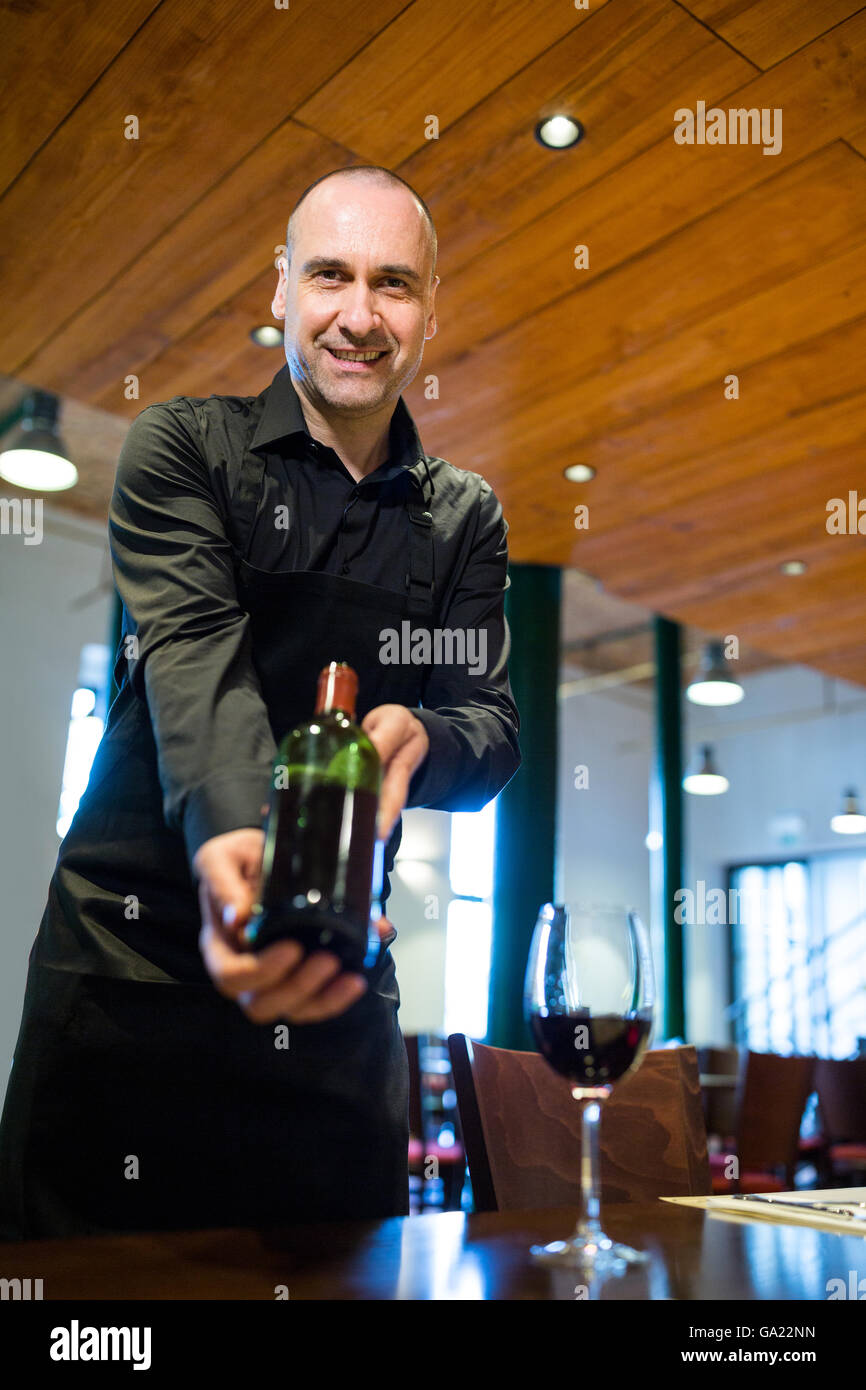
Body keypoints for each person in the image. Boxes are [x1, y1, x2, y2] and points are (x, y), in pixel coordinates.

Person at [0, 165, 521, 1240]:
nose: (359, 315)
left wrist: (423, 736)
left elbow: (491, 726)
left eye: (394, 285)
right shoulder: (183, 447)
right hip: (127, 976)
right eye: (329, 274)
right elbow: (198, 657)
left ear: (429, 314)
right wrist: (244, 842)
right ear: (279, 289)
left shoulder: (463, 517)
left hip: (330, 985)